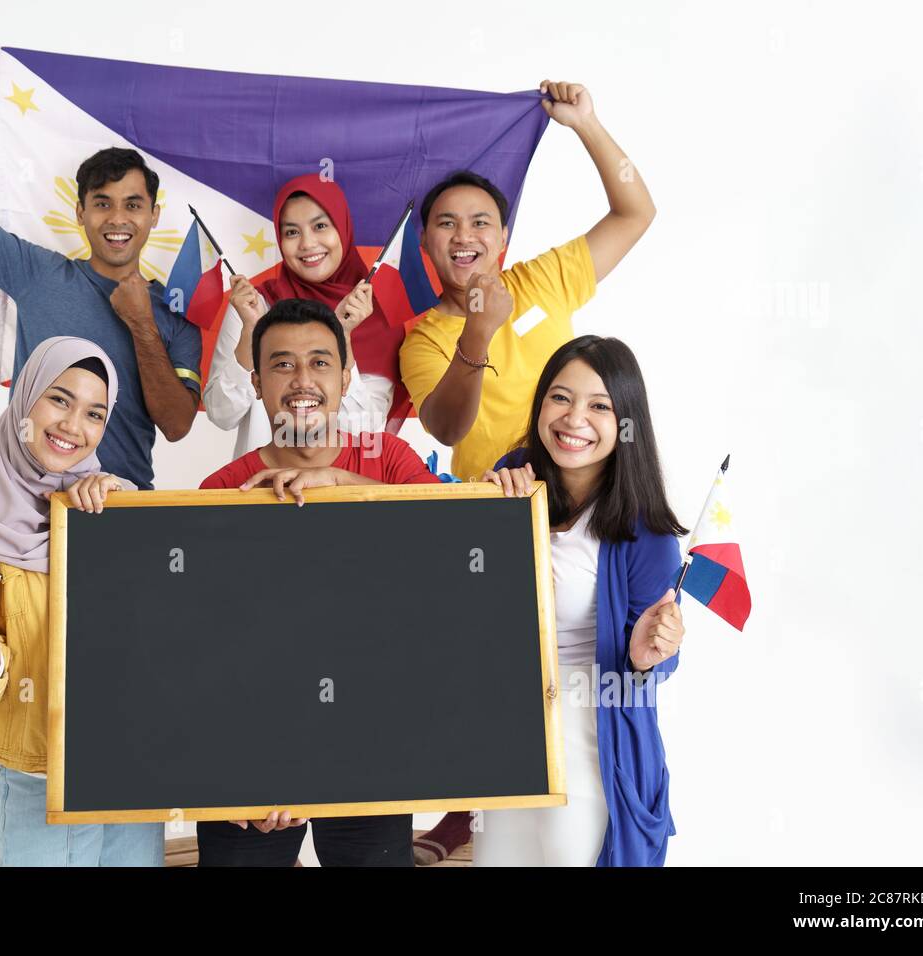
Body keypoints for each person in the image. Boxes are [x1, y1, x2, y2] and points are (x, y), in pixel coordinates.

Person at [197, 298, 440, 866]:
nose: (302, 380)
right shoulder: (223, 488)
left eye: (319, 363)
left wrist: (336, 480)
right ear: (256, 383)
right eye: (282, 365)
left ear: (346, 376)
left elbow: (449, 535)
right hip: (253, 740)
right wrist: (230, 769)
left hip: (372, 733)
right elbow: (201, 640)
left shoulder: (389, 458)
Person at [0, 335, 163, 866]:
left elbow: (163, 639)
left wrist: (132, 527)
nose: (73, 426)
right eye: (59, 399)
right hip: (39, 781)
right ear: (24, 400)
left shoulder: (112, 505)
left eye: (95, 413)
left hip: (130, 770)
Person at [0, 49, 201, 490]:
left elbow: (177, 426)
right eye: (102, 204)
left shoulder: (179, 314)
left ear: (153, 215)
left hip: (121, 506)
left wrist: (142, 325)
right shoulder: (38, 272)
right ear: (80, 213)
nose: (117, 219)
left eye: (132, 205)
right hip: (28, 500)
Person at [475, 334, 686, 866]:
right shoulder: (513, 474)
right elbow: (467, 602)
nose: (574, 420)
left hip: (589, 731)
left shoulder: (647, 530)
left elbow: (655, 663)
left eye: (599, 406)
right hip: (504, 724)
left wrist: (645, 657)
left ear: (626, 422)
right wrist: (478, 515)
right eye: (561, 397)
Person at [400, 80, 656, 485]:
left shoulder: (541, 280)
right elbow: (447, 430)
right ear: (425, 243)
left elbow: (634, 213)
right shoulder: (422, 342)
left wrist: (586, 124)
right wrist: (478, 328)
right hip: (497, 506)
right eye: (447, 224)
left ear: (502, 238)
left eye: (480, 223)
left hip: (586, 495)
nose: (464, 236)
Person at [204, 173, 406, 458]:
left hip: (343, 494)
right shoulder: (252, 305)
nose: (307, 244)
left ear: (344, 229)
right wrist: (251, 332)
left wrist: (342, 336)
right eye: (291, 232)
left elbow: (365, 431)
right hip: (260, 491)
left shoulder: (372, 319)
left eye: (320, 226)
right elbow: (222, 414)